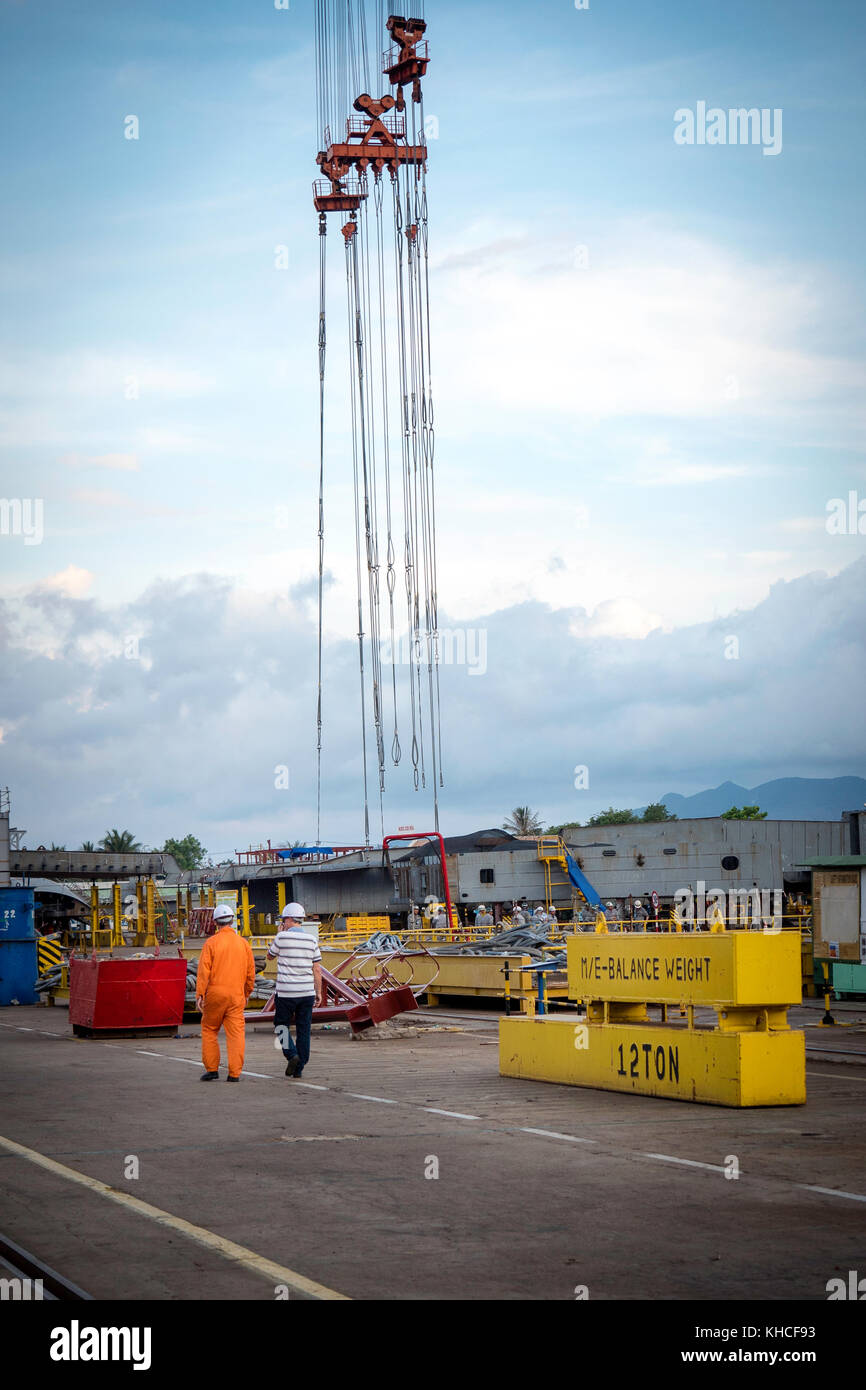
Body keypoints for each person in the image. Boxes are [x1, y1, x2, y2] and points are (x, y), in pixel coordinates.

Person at [196, 902, 256, 1083]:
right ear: (232, 921)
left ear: (215, 923)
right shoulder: (243, 944)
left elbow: (203, 971)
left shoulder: (211, 943)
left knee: (209, 1029)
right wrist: (246, 993)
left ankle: (212, 1070)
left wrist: (200, 994)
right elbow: (250, 973)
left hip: (215, 995)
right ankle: (234, 1073)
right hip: (236, 995)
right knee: (236, 1034)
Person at [268, 902, 323, 1079]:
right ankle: (299, 1067)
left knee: (281, 1025)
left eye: (284, 919)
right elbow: (317, 970)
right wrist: (319, 992)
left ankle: (291, 1054)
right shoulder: (312, 940)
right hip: (307, 993)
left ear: (290, 919)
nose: (283, 922)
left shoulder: (281, 937)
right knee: (304, 1029)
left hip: (286, 993)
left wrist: (279, 934)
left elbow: (269, 957)